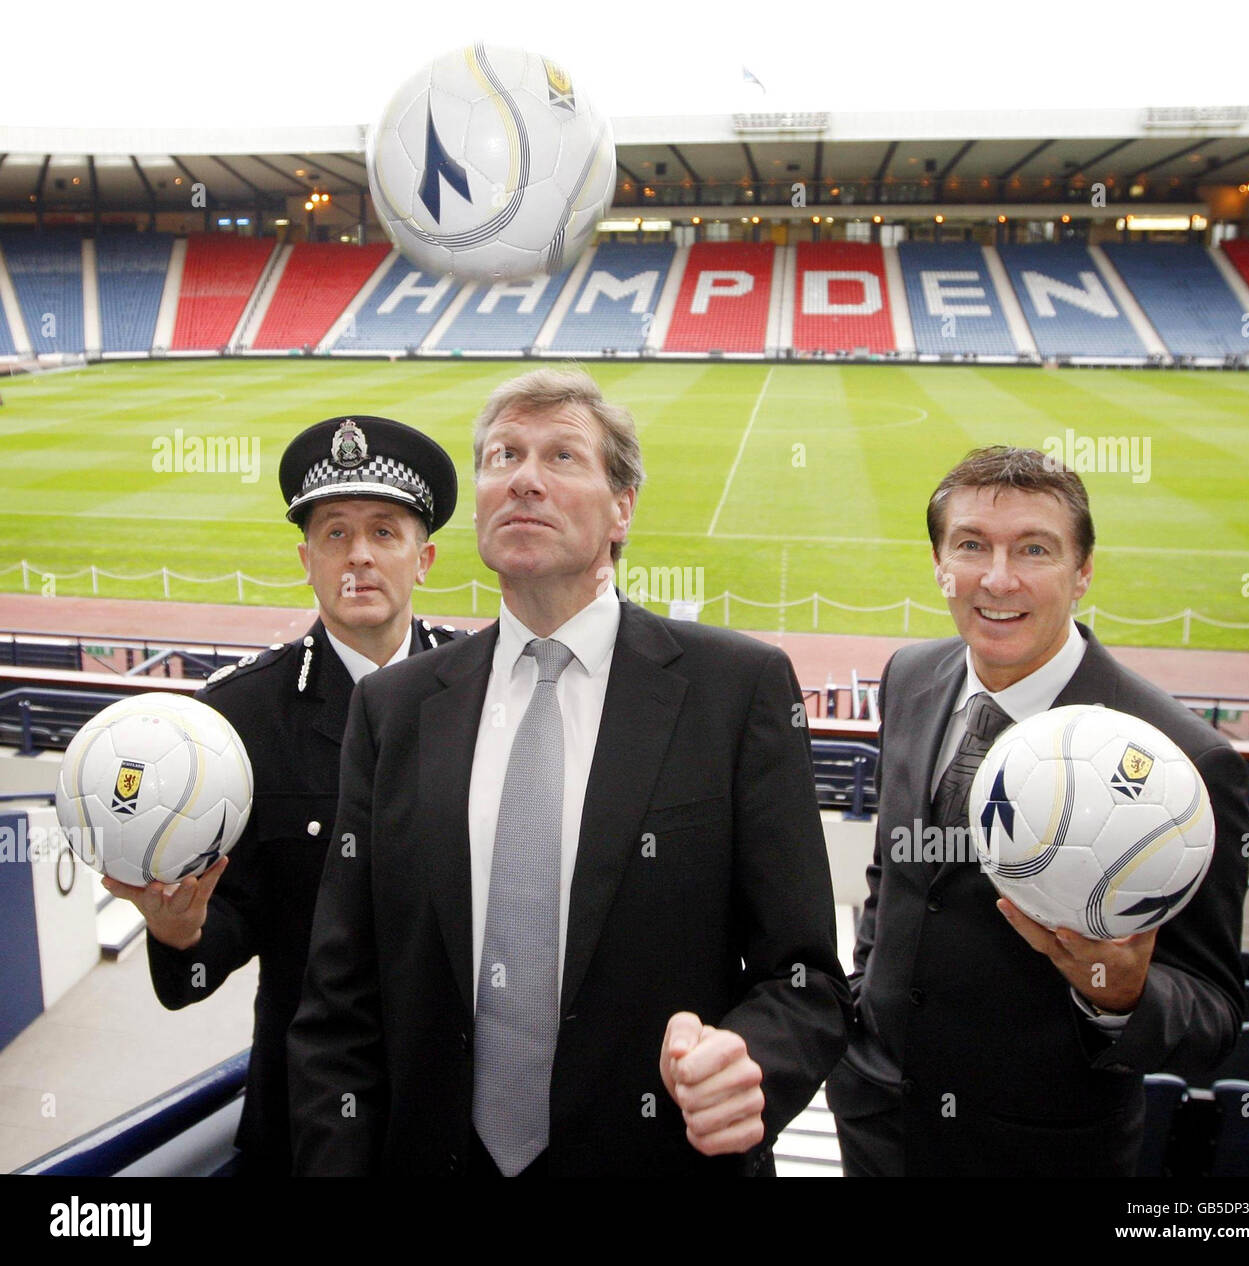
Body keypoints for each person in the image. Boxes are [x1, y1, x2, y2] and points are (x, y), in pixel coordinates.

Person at [288, 369, 851, 1177]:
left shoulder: (737, 690)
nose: (523, 477)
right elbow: (338, 1004)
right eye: (502, 455)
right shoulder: (395, 709)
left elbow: (806, 981)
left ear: (622, 507)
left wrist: (746, 1060)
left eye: (561, 457)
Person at [827, 445, 1249, 1177]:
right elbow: (893, 879)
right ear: (938, 562)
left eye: (1034, 549)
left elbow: (1211, 1014)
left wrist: (1122, 996)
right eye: (971, 546)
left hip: (1036, 1150)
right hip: (876, 1120)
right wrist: (863, 1012)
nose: (998, 578)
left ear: (1083, 571)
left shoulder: (1185, 759)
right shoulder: (909, 676)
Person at [103, 415, 462, 1174]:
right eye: (334, 534)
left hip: (467, 1108)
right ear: (306, 559)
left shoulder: (489, 689)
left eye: (384, 532)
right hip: (307, 1120)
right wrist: (178, 932)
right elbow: (216, 939)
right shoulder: (235, 719)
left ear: (424, 558)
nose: (358, 555)